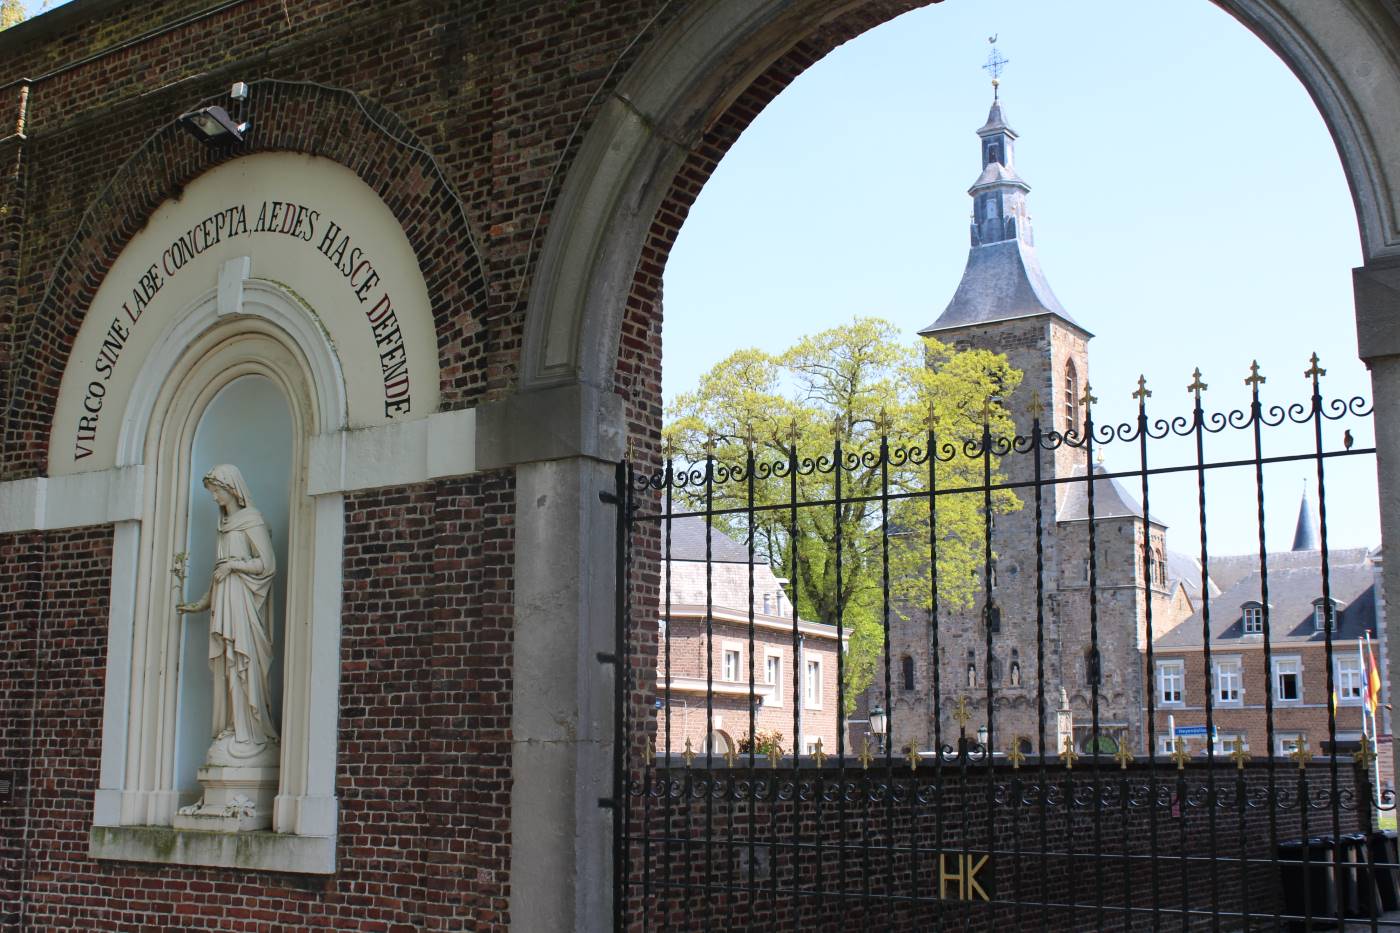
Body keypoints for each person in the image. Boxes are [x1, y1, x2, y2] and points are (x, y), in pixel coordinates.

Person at [178, 463, 279, 757]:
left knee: (243, 660)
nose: (214, 497)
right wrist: (202, 602)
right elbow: (218, 572)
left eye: (217, 491)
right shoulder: (222, 525)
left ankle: (253, 730)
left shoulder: (252, 519)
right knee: (227, 663)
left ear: (232, 488)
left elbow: (267, 564)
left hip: (244, 604)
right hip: (224, 601)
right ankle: (235, 726)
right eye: (211, 491)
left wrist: (234, 565)